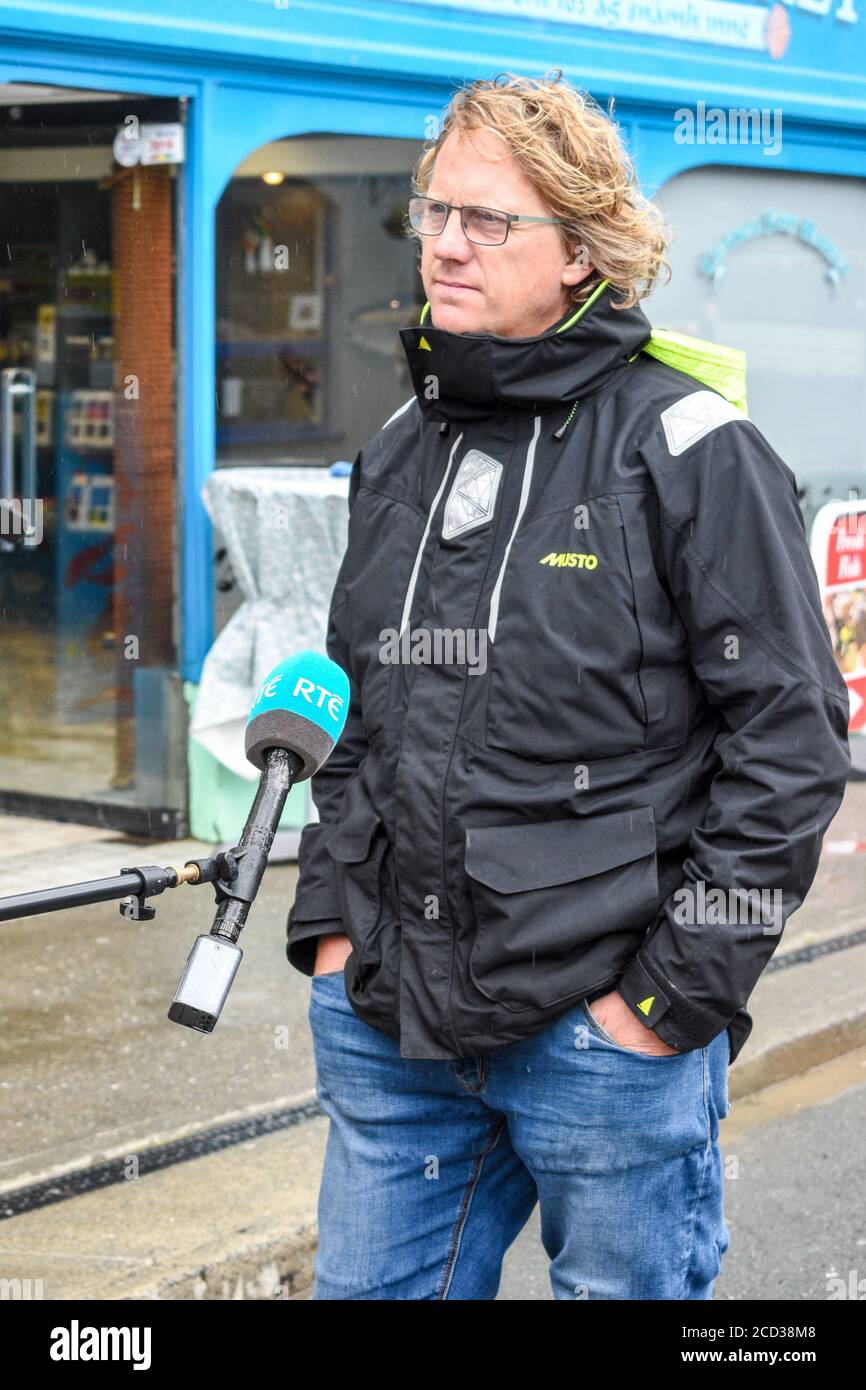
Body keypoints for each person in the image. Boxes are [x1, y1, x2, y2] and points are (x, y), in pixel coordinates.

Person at [286, 70, 851, 1299]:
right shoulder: (398, 450)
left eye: (489, 220)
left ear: (584, 248)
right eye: (433, 211)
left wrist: (664, 1001)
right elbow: (348, 709)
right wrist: (332, 932)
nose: (444, 243)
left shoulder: (687, 448)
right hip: (392, 1027)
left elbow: (794, 740)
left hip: (603, 1036)